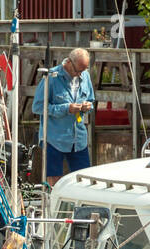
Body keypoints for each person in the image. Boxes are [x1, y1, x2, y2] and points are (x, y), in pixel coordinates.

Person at [31, 48, 95, 185]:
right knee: (54, 179)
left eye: (83, 71)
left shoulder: (85, 76)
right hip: (54, 139)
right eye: (78, 71)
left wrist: (87, 106)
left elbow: (91, 100)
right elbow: (37, 107)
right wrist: (66, 108)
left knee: (84, 179)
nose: (80, 74)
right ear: (69, 62)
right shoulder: (51, 77)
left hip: (78, 139)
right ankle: (53, 204)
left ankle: (80, 205)